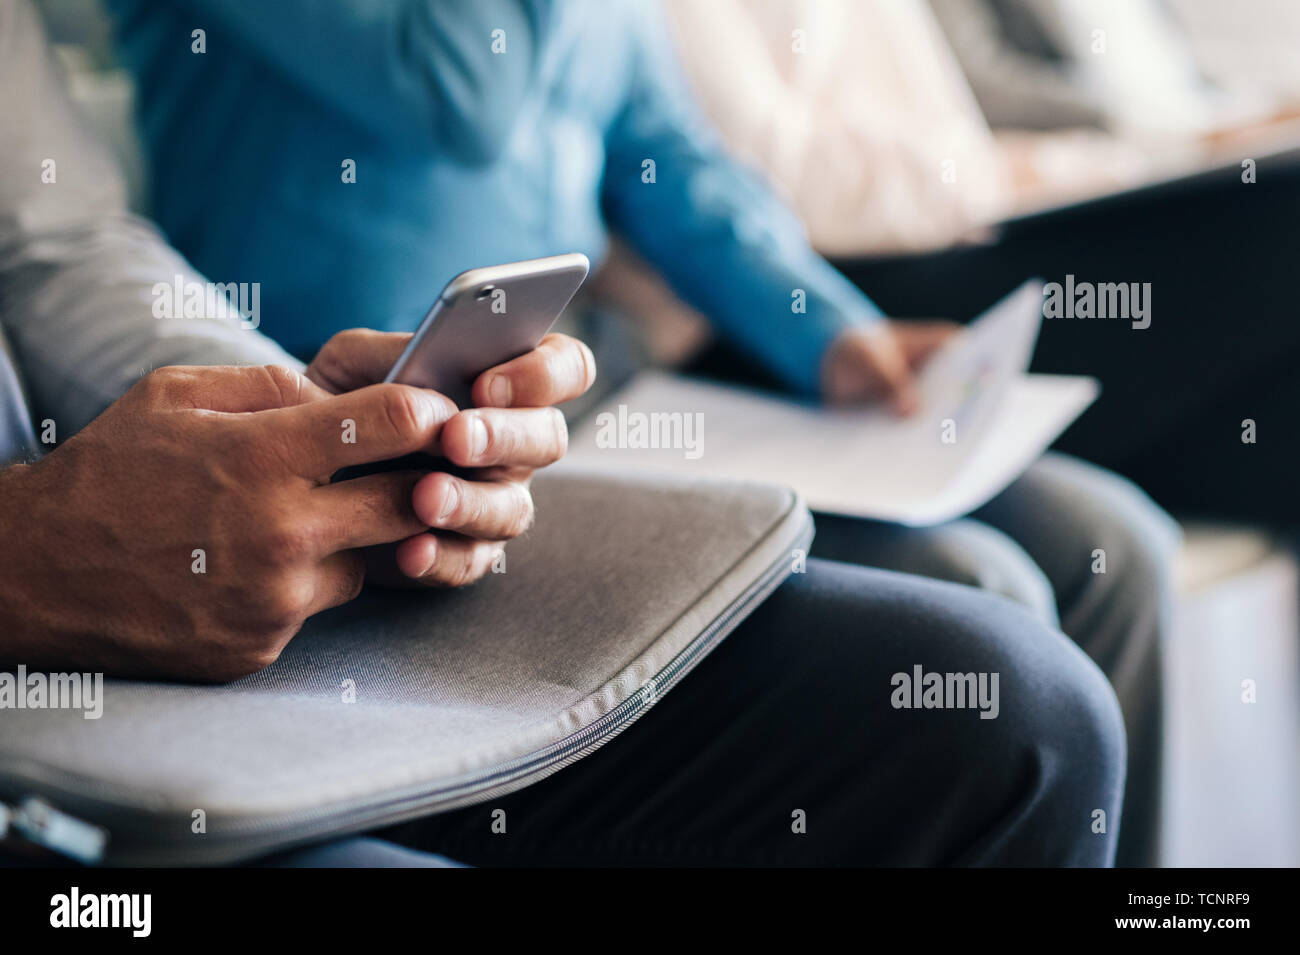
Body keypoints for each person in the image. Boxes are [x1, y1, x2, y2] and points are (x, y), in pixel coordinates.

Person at [0, 0, 1129, 867]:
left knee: (1017, 696)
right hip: (224, 449)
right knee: (967, 582)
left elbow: (663, 150)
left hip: (386, 411)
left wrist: (831, 333)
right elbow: (462, 91)